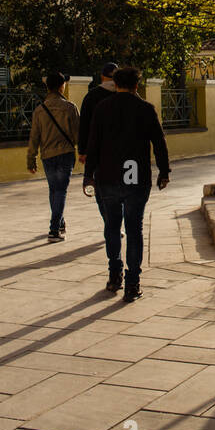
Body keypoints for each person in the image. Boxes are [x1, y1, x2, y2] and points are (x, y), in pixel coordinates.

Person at [82, 67, 170, 300]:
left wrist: (88, 174)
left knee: (111, 226)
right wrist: (164, 171)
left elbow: (93, 144)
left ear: (115, 84)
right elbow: (159, 142)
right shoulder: (145, 109)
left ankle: (114, 276)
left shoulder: (102, 109)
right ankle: (133, 283)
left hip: (108, 177)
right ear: (136, 85)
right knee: (134, 229)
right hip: (136, 179)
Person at [26, 71, 81, 242]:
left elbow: (34, 137)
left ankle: (61, 222)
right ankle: (54, 229)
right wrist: (84, 152)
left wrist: (31, 158)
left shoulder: (39, 110)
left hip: (47, 156)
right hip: (65, 154)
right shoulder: (70, 107)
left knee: (54, 190)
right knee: (61, 190)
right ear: (61, 86)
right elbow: (78, 134)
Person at [78, 62, 119, 163]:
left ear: (102, 76)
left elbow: (84, 124)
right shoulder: (125, 94)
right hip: (121, 148)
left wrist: (82, 151)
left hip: (98, 147)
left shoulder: (91, 96)